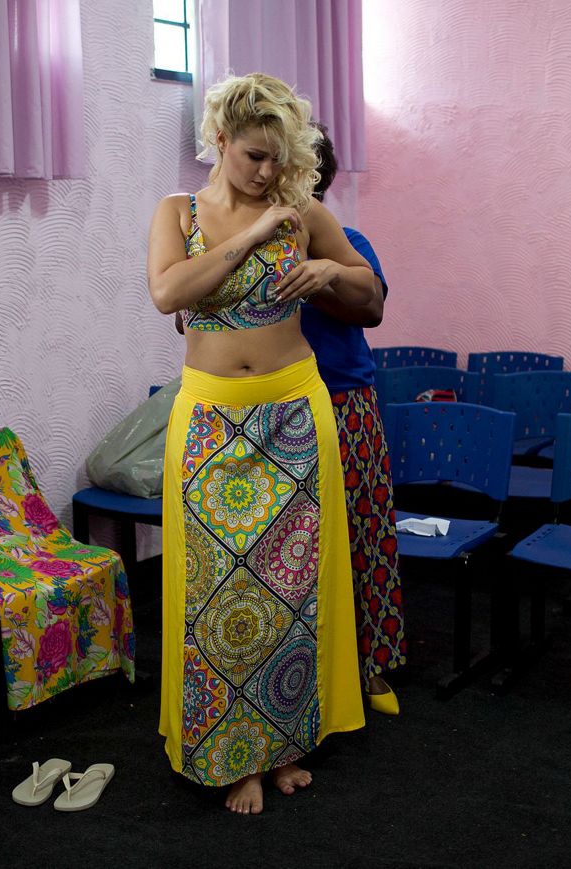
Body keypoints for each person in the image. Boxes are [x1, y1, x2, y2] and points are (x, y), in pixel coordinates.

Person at [147, 72, 375, 815]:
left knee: (291, 592)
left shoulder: (301, 210)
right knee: (219, 592)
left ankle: (282, 748)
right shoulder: (178, 212)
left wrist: (331, 272)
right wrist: (249, 236)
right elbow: (168, 293)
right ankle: (231, 755)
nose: (268, 173)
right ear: (218, 142)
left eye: (277, 158)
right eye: (254, 156)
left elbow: (372, 298)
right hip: (211, 423)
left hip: (295, 417)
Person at [299, 126, 406, 715]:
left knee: (363, 536)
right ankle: (304, 671)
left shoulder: (348, 238)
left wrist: (313, 275)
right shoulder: (238, 237)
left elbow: (372, 308)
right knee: (296, 550)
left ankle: (371, 668)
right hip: (273, 409)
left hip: (345, 404)